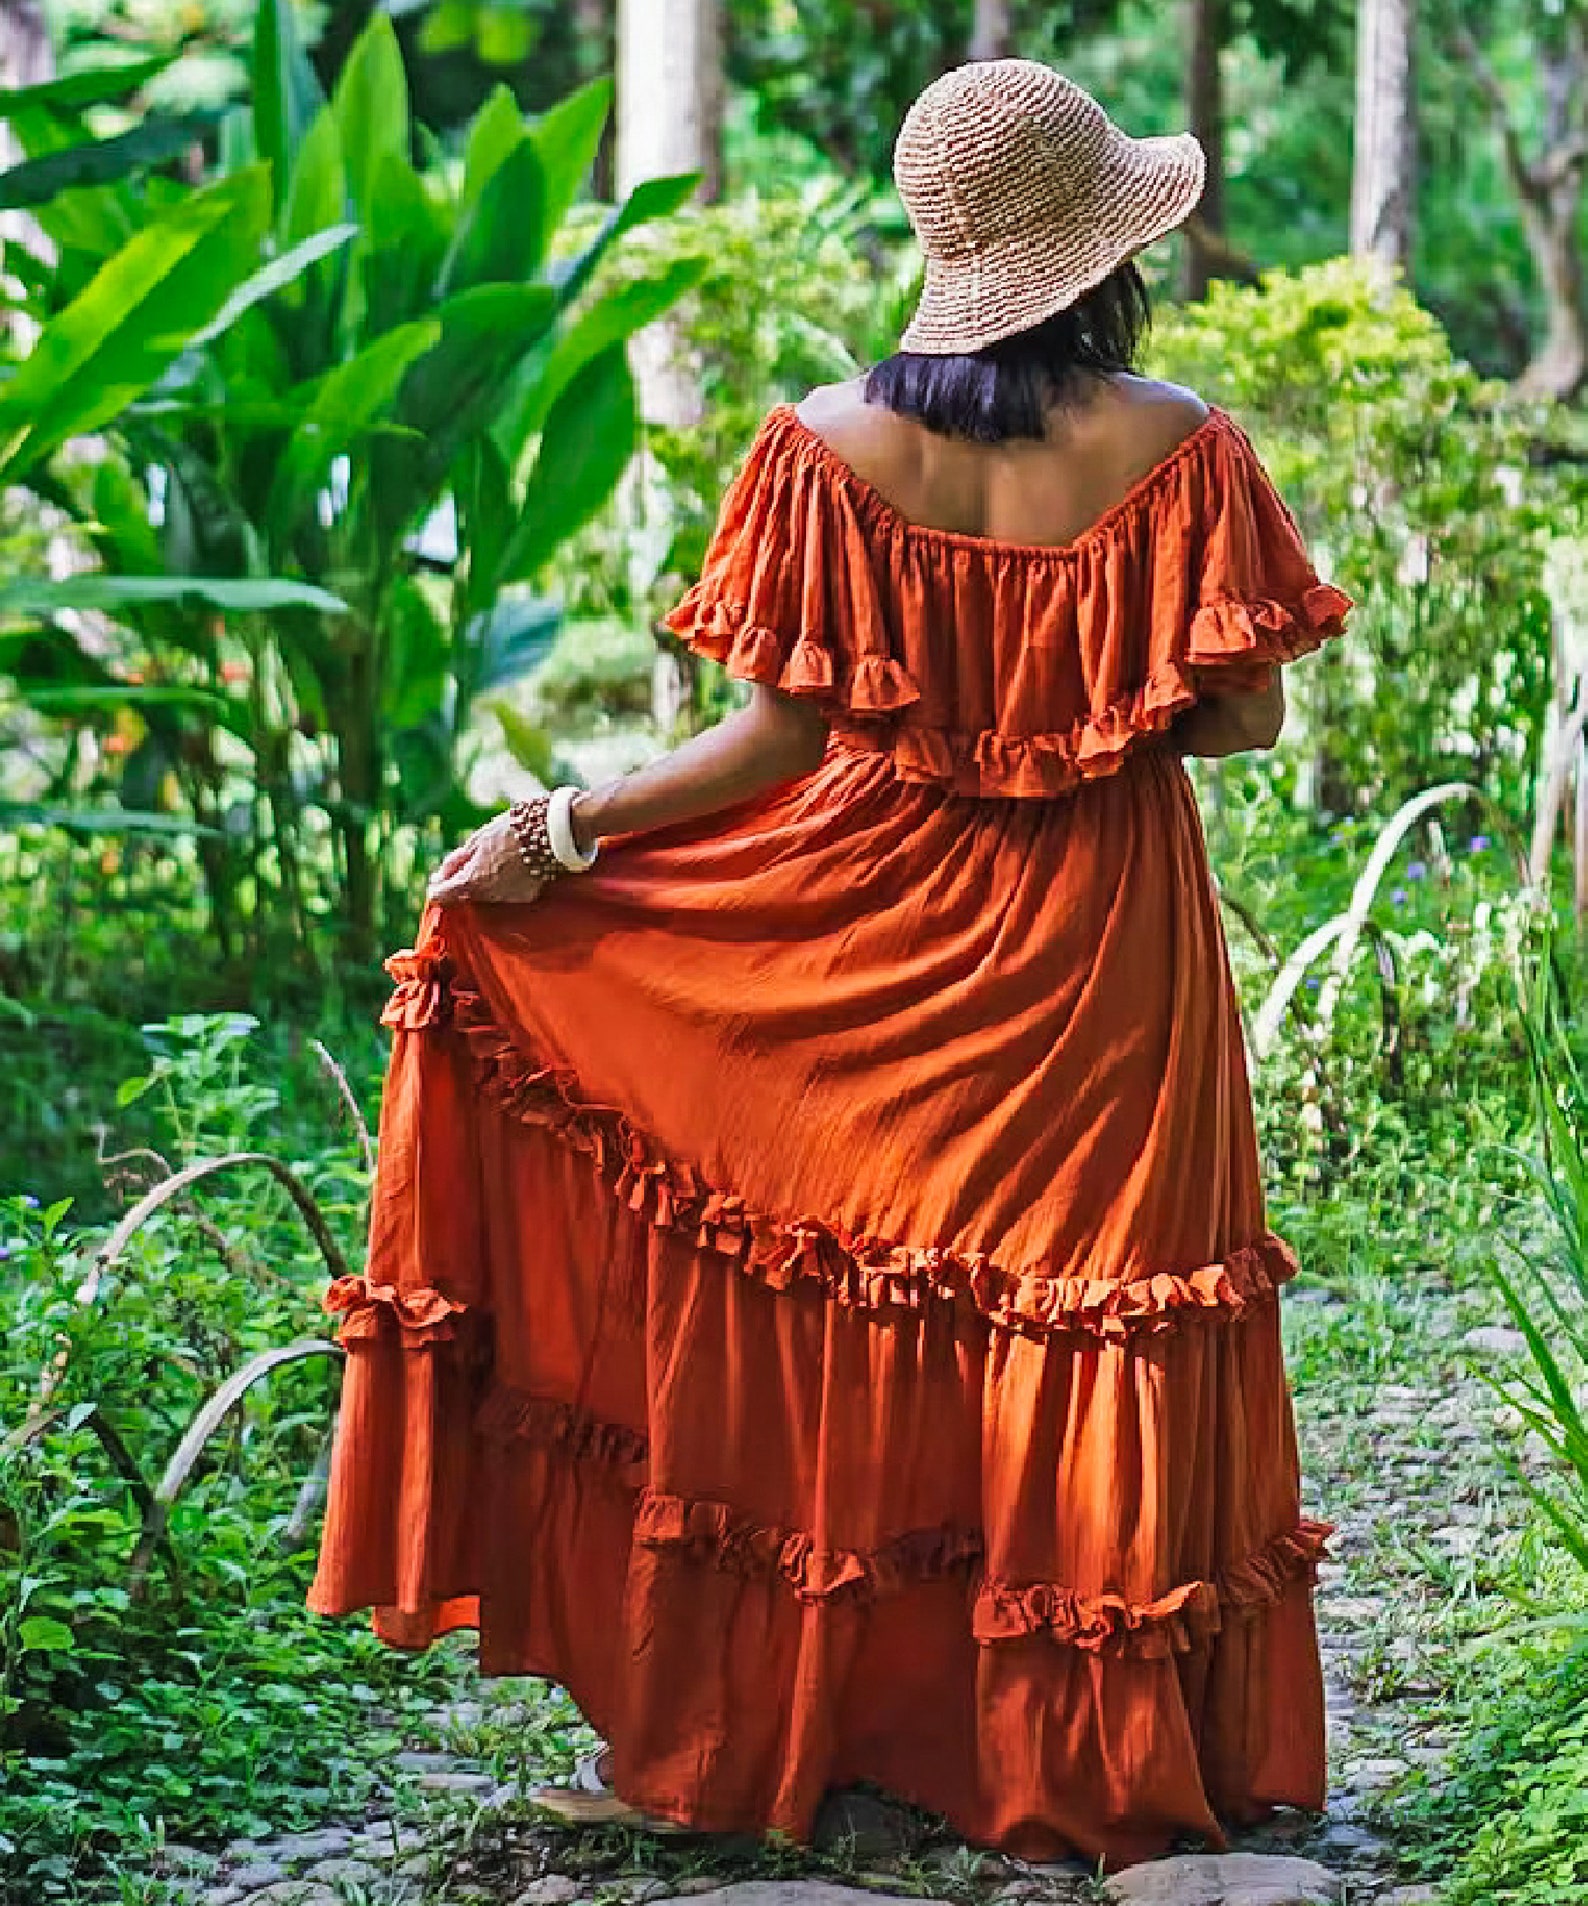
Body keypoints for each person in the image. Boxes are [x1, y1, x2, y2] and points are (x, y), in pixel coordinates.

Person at [308, 58, 1349, 1871]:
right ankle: (1097, 1759)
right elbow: (1242, 719)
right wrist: (1073, 688)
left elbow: (771, 749)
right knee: (1082, 1311)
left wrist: (567, 830)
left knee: (854, 1297)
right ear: (1106, 252)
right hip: (1108, 954)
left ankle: (788, 1727)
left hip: (870, 928)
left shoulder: (829, 447)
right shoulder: (1185, 446)